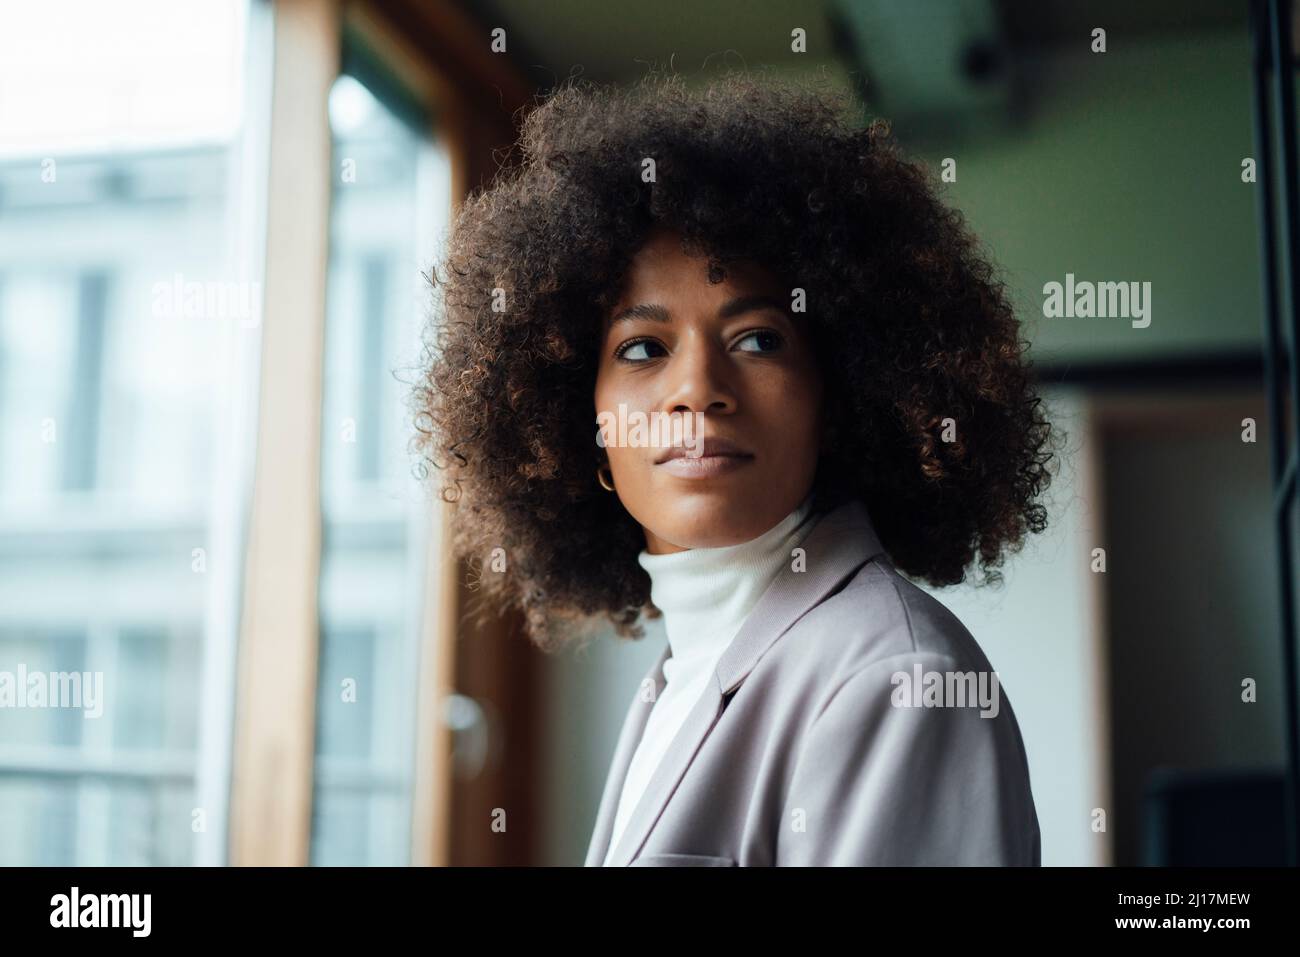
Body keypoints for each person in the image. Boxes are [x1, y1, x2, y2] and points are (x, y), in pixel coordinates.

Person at [412, 69, 1061, 865]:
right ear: (583, 429)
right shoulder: (681, 674)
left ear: (839, 397)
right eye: (643, 349)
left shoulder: (899, 679)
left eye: (758, 338)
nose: (698, 391)